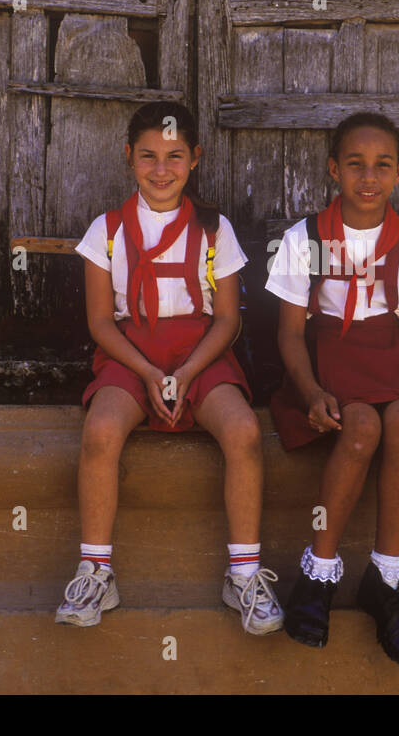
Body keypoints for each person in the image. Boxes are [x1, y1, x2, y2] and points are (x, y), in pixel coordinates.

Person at [55, 101, 283, 636]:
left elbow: (227, 319)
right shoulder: (106, 231)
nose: (162, 170)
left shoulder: (213, 230)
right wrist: (152, 374)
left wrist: (184, 373)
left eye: (175, 156)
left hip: (202, 353)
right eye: (149, 156)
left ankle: (244, 575)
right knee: (101, 432)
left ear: (195, 158)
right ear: (128, 157)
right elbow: (99, 323)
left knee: (246, 431)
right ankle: (96, 572)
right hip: (130, 353)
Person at [265, 111, 399, 664]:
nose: (368, 178)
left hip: (386, 355)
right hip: (326, 356)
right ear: (334, 170)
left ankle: (386, 578)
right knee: (362, 426)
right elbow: (288, 332)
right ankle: (318, 574)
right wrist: (308, 392)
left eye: (381, 166)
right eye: (355, 165)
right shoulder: (307, 239)